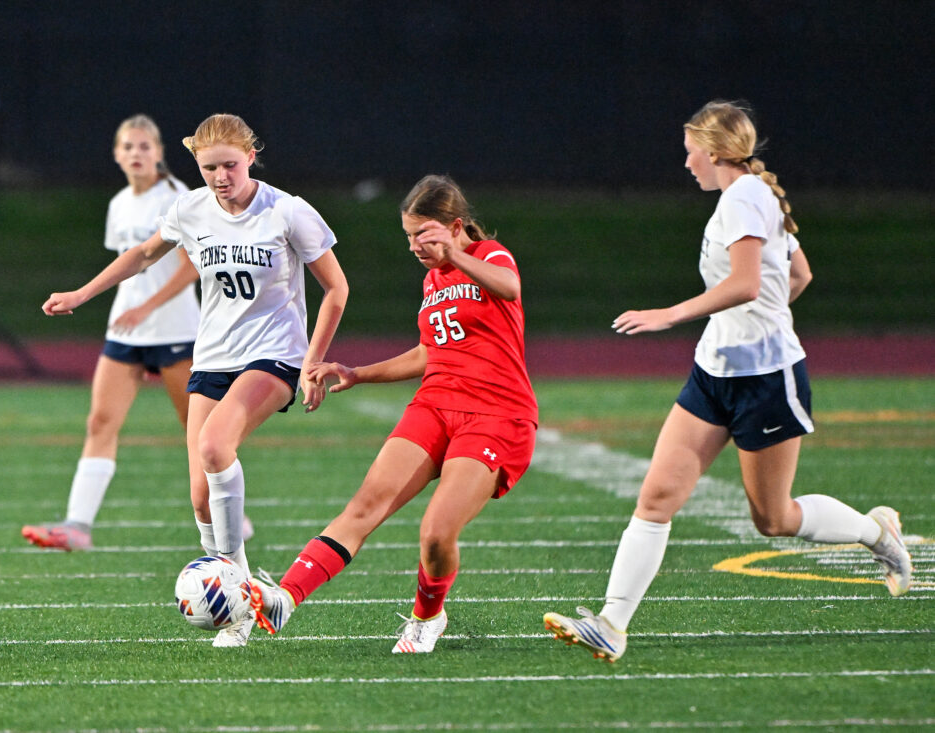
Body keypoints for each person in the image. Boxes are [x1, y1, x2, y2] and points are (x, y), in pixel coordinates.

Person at [543, 100, 913, 663]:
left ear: (715, 151)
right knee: (657, 497)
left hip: (765, 381)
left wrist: (672, 315)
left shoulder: (744, 197)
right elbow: (798, 274)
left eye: (690, 149)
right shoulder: (747, 197)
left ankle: (876, 532)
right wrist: (754, 322)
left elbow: (745, 284)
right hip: (713, 372)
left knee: (774, 518)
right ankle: (611, 625)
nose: (686, 161)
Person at [40, 113, 349, 648]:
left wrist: (311, 362)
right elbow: (143, 254)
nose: (221, 177)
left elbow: (337, 290)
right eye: (209, 168)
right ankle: (244, 606)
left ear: (251, 157)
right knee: (202, 499)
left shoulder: (287, 211)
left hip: (274, 356)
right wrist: (81, 294)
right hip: (212, 359)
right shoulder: (191, 208)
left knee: (214, 445)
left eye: (230, 165)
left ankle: (236, 595)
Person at [250, 174, 539, 654]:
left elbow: (510, 287)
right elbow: (428, 353)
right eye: (409, 235)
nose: (414, 246)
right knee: (364, 507)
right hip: (435, 404)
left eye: (423, 234)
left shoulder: (489, 255)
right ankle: (285, 597)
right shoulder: (433, 278)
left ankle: (428, 617)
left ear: (455, 226)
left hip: (496, 414)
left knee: (436, 533)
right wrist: (358, 373)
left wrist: (456, 256)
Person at [22, 114, 202, 552]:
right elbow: (130, 262)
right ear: (117, 155)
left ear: (159, 153)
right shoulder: (119, 203)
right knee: (100, 421)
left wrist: (148, 307)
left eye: (145, 146)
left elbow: (192, 267)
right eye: (128, 146)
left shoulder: (177, 197)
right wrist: (95, 299)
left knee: (197, 430)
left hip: (176, 330)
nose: (136, 153)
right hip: (126, 330)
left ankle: (228, 515)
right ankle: (77, 527)